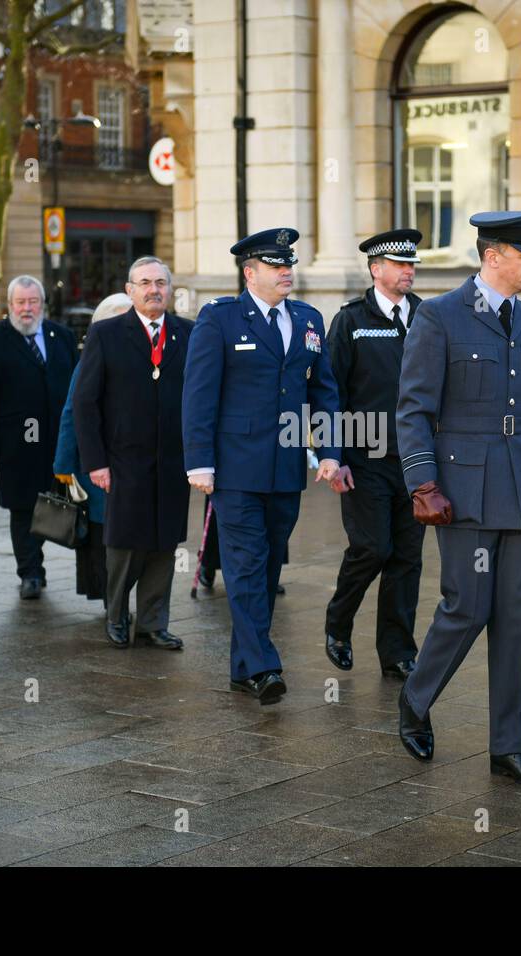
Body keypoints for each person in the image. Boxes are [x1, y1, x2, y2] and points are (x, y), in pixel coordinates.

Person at [395, 210, 521, 786]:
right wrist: (423, 484)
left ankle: (508, 745)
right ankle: (416, 701)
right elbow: (414, 409)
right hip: (462, 490)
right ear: (493, 256)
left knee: (515, 619)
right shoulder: (439, 317)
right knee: (466, 606)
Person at [181, 228, 343, 704]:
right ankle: (265, 666)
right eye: (275, 266)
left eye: (288, 264)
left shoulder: (309, 320)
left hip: (286, 469)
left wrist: (331, 450)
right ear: (250, 273)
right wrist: (199, 462)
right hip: (235, 470)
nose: (286, 272)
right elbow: (199, 395)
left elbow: (324, 392)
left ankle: (242, 666)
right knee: (246, 565)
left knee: (269, 567)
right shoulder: (221, 319)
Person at [322, 228, 425, 680]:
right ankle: (338, 623)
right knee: (371, 548)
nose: (408, 272)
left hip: (417, 458)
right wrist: (333, 455)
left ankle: (397, 651)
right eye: (399, 265)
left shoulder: (427, 316)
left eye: (411, 265)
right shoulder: (350, 320)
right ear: (375, 269)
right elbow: (330, 392)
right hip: (365, 457)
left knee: (407, 557)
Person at [74, 258, 192, 648]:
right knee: (124, 544)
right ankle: (116, 615)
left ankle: (153, 622)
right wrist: (95, 462)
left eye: (160, 282)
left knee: (163, 543)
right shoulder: (106, 334)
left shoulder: (188, 334)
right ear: (130, 290)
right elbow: (85, 403)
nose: (153, 289)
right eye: (144, 282)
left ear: (169, 289)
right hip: (123, 460)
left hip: (173, 461)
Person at [0, 275, 78, 599]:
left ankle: (57, 565)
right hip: (16, 441)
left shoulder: (63, 336)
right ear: (10, 305)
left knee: (59, 504)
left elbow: (77, 388)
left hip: (59, 440)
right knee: (23, 509)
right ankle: (30, 572)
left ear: (43, 305)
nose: (27, 309)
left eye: (33, 302)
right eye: (21, 302)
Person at [52, 293, 130, 610]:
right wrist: (63, 466)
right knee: (103, 534)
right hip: (98, 465)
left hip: (133, 465)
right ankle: (113, 602)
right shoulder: (90, 362)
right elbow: (71, 413)